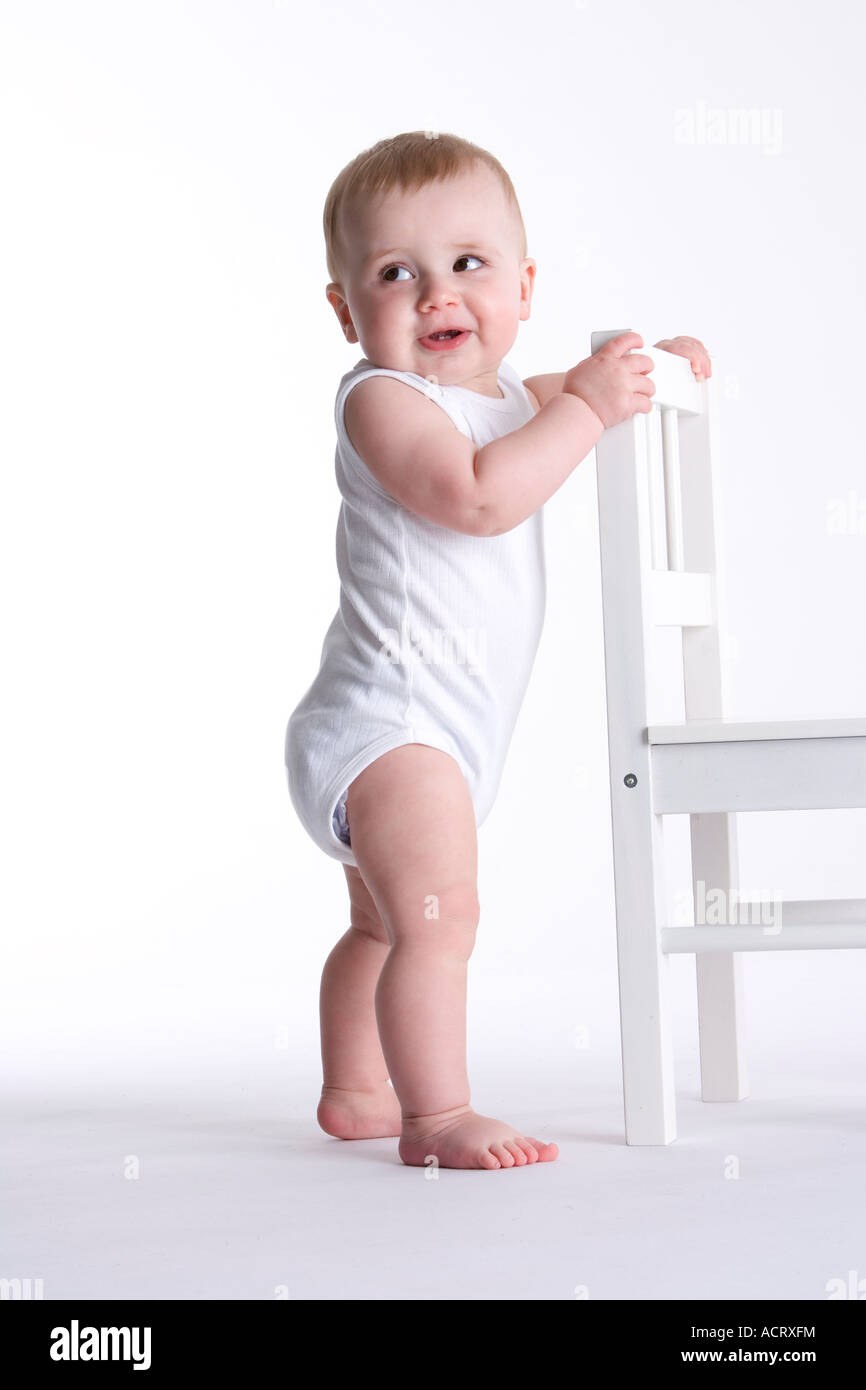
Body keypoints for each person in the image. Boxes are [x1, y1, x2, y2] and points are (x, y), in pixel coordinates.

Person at [285, 130, 711, 1170]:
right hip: (391, 725)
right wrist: (588, 407)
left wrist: (637, 375)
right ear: (346, 308)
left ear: (522, 286)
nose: (436, 294)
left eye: (467, 265)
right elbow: (478, 497)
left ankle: (355, 1088)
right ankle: (436, 1116)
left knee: (385, 924)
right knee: (441, 916)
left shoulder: (507, 394)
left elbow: (563, 393)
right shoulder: (382, 401)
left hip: (436, 730)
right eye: (396, 273)